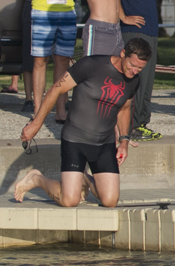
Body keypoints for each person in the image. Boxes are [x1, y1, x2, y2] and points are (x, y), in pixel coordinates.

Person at [13, 38, 151, 208]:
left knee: (110, 201)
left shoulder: (133, 80)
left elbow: (124, 109)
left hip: (104, 144)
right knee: (69, 201)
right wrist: (36, 124)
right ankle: (37, 179)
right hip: (75, 140)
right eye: (132, 65)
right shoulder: (91, 65)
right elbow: (56, 89)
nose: (135, 71)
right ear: (123, 54)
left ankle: (84, 178)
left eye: (140, 68)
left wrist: (124, 142)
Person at [113, 0, 160, 139]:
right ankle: (131, 127)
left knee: (147, 81)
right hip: (136, 32)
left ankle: (141, 123)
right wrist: (123, 16)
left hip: (150, 31)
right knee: (136, 80)